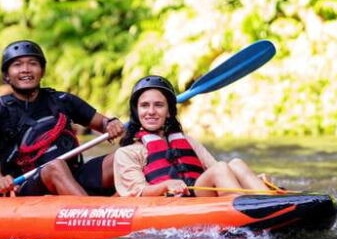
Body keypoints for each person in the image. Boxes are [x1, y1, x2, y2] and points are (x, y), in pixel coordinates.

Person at [0, 40, 125, 196]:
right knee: (55, 166)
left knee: (124, 157)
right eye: (17, 65)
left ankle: (118, 206)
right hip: (27, 185)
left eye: (33, 64)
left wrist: (111, 124)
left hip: (74, 176)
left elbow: (103, 123)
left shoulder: (63, 100)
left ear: (42, 71)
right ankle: (91, 212)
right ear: (7, 76)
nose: (26, 70)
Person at [113, 75, 271, 197]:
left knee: (236, 164)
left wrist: (251, 180)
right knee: (220, 169)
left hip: (198, 194)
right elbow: (138, 192)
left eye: (159, 105)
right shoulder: (127, 153)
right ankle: (245, 211)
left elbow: (219, 170)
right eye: (145, 105)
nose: (151, 111)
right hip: (169, 202)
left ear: (169, 112)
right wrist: (166, 185)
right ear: (136, 112)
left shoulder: (187, 141)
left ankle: (266, 198)